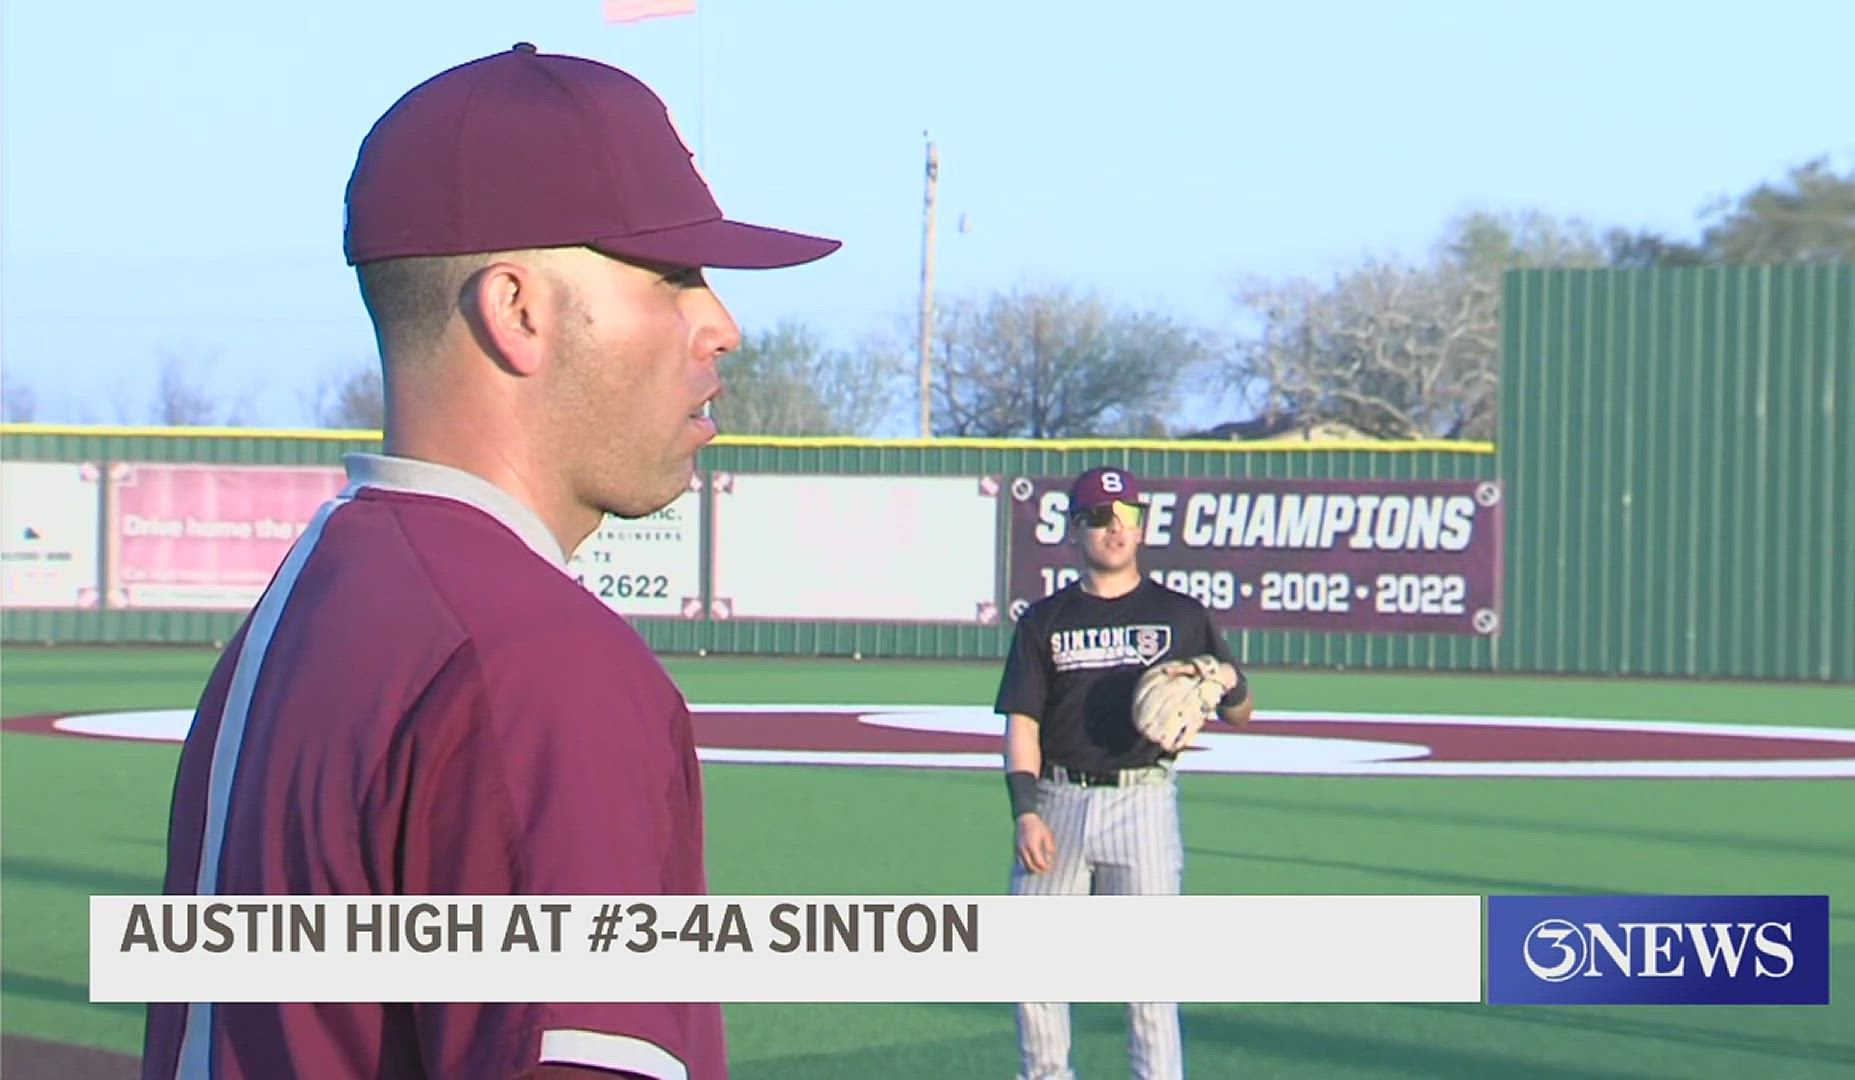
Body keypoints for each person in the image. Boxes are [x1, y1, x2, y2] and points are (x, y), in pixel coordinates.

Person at [140, 43, 839, 1080]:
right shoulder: (536, 660)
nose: (722, 326)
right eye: (674, 276)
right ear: (517, 310)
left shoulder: (316, 594)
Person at [993, 466, 1255, 1080]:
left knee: (1150, 979)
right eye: (1098, 517)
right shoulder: (1044, 620)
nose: (1114, 529)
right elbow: (1023, 722)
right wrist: (1025, 811)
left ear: (1142, 527)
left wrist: (1227, 679)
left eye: (1127, 516)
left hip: (1143, 802)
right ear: (1073, 530)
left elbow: (1241, 711)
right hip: (1058, 801)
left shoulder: (1181, 615)